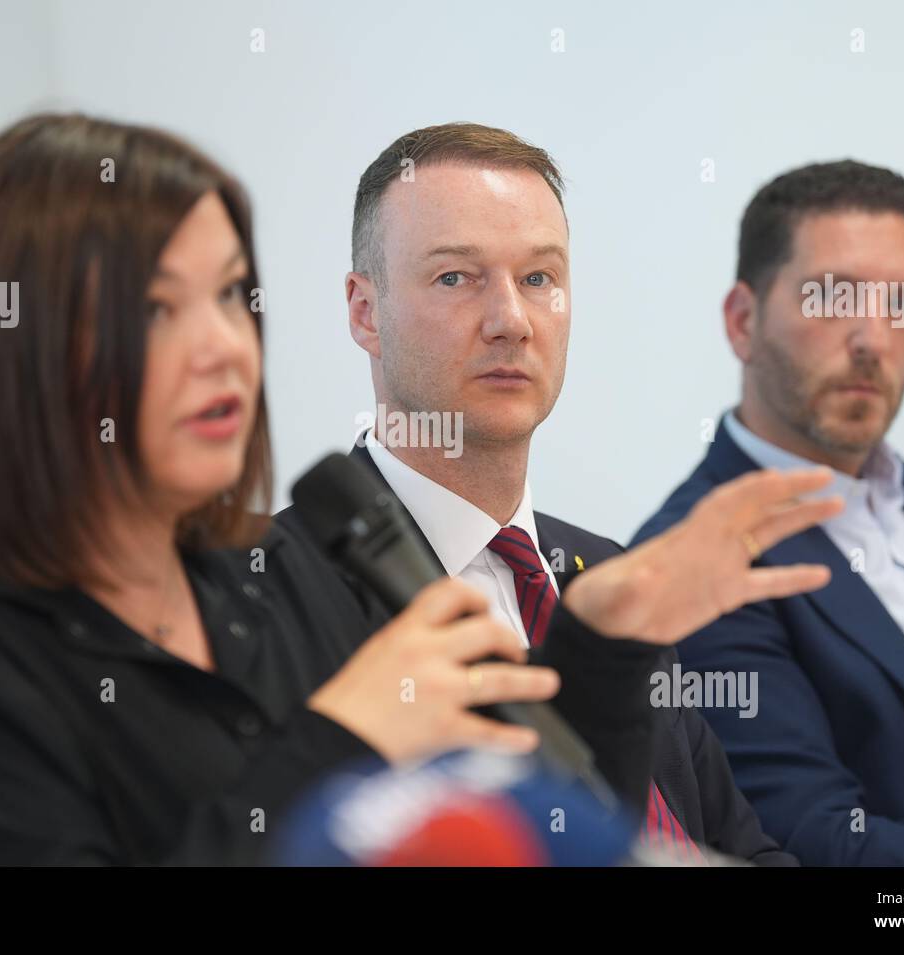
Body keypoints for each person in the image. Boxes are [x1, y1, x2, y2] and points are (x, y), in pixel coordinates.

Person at [0, 113, 574, 865]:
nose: (222, 347)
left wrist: (613, 647)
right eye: (153, 308)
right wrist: (341, 744)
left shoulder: (262, 573)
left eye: (228, 294)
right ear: (12, 349)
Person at [277, 122, 843, 864]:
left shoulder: (608, 574)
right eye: (455, 277)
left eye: (538, 279)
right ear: (363, 311)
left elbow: (738, 846)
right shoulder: (270, 587)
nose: (511, 321)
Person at [631, 159, 904, 865]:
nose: (873, 339)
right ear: (743, 322)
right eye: (833, 298)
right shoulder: (699, 559)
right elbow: (818, 846)